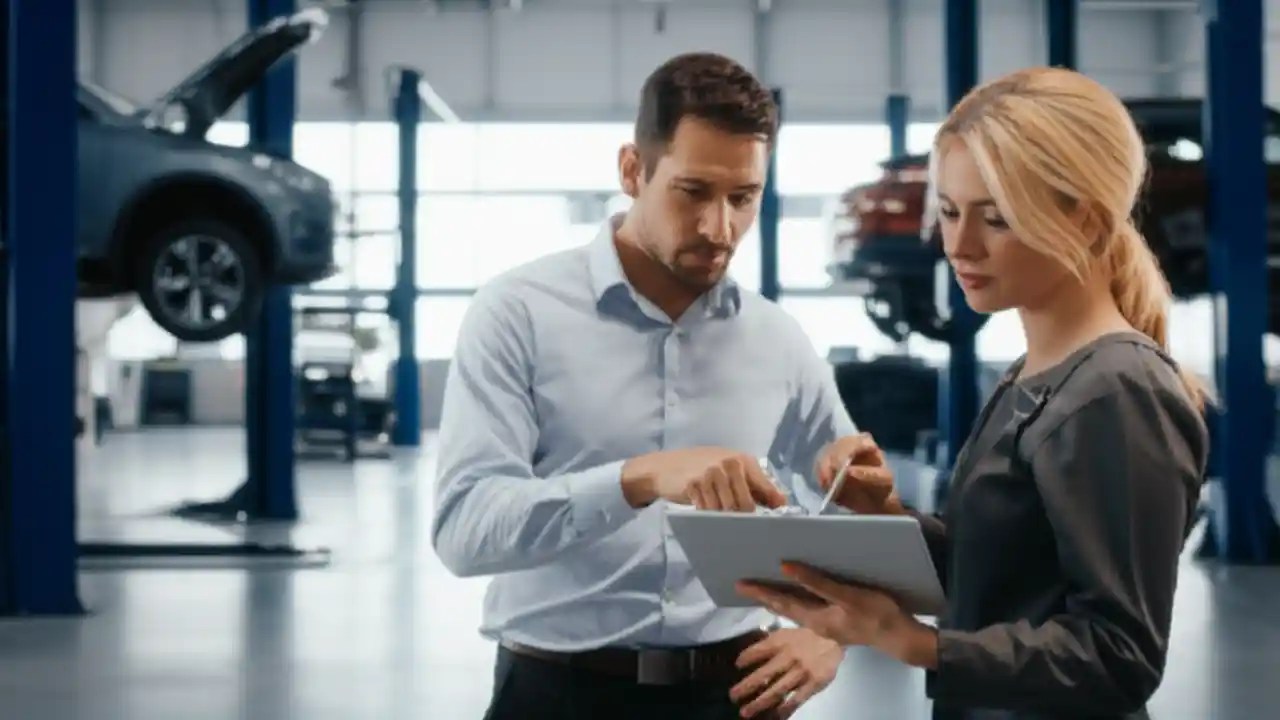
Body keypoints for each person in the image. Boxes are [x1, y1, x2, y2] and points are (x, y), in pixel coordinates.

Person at [738, 66, 1211, 720]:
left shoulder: (1114, 391)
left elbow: (1119, 655)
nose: (958, 246)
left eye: (996, 219)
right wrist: (886, 519)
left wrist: (915, 644)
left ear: (1086, 221)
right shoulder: (1034, 374)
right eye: (952, 212)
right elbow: (999, 576)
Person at [432, 52, 864, 720]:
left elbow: (848, 511)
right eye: (693, 192)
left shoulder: (778, 340)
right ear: (633, 171)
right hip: (556, 694)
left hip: (734, 693)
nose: (719, 229)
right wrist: (638, 477)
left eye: (743, 198)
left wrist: (830, 632)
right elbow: (465, 530)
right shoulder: (519, 313)